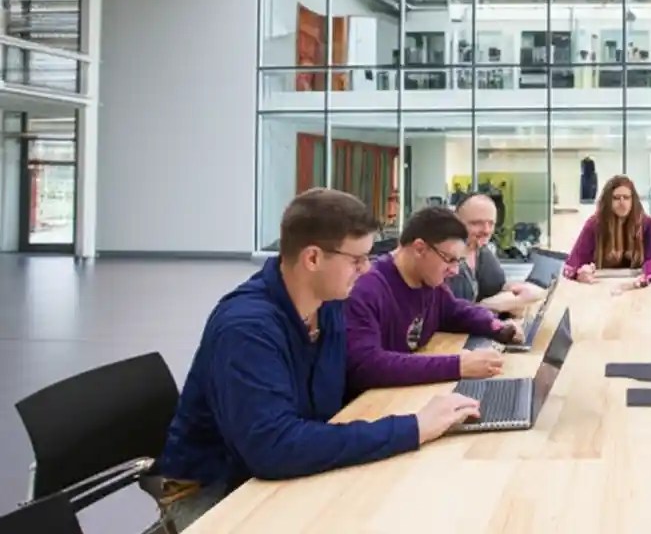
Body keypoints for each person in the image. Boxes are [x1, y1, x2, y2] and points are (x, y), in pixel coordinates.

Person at [155, 189, 481, 531]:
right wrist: (412, 427)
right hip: (217, 492)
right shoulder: (247, 328)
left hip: (278, 469)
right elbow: (273, 448)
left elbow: (344, 387)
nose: (366, 269)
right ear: (312, 258)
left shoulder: (329, 305)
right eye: (356, 260)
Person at [344, 206, 525, 398]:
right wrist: (458, 365)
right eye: (450, 260)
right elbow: (367, 366)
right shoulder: (365, 289)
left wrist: (496, 327)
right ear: (420, 249)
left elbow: (455, 311)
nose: (455, 271)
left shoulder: (430, 282)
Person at [447, 193, 544, 314]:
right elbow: (447, 316)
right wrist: (487, 306)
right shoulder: (443, 261)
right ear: (456, 221)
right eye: (477, 223)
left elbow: (496, 287)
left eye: (491, 223)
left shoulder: (482, 252)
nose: (486, 230)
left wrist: (513, 291)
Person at [563, 174, 651, 289]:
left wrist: (646, 276)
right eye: (616, 198)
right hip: (600, 286)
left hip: (636, 286)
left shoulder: (647, 224)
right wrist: (579, 274)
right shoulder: (594, 225)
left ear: (633, 200)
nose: (622, 202)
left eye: (626, 197)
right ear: (608, 200)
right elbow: (571, 266)